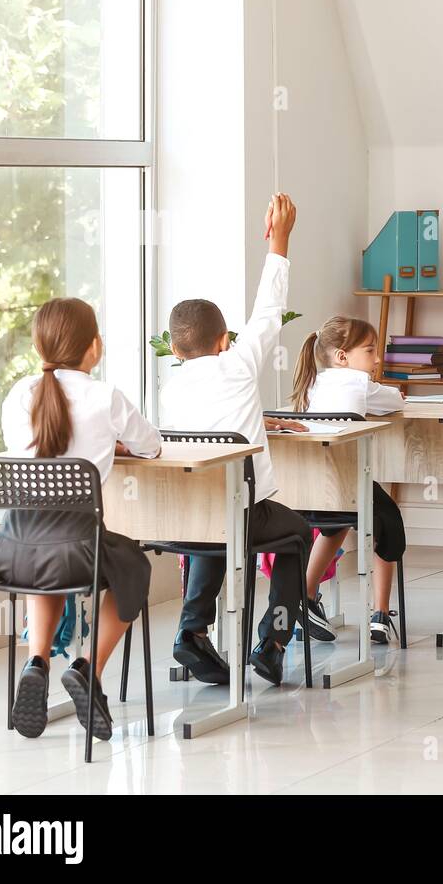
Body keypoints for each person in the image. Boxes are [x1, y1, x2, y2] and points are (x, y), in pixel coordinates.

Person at [0, 297, 162, 740]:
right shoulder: (105, 396)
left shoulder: (17, 395)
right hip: (79, 549)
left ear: (39, 347)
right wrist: (114, 443)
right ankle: (89, 668)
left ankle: (37, 661)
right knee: (135, 566)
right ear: (94, 346)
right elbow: (151, 446)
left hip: (15, 550)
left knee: (50, 560)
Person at [161, 193, 313, 686]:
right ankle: (272, 640)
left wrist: (257, 424)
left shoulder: (170, 386)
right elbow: (269, 309)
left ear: (176, 349)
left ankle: (192, 631)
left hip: (185, 513)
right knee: (296, 534)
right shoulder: (238, 363)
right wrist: (281, 239)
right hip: (239, 508)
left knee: (215, 530)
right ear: (225, 341)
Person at [289, 314, 407, 644]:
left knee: (335, 524)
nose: (378, 358)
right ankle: (380, 614)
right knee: (388, 520)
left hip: (310, 489)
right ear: (343, 357)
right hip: (349, 484)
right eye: (370, 351)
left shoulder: (312, 385)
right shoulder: (359, 383)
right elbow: (395, 401)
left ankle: (306, 596)